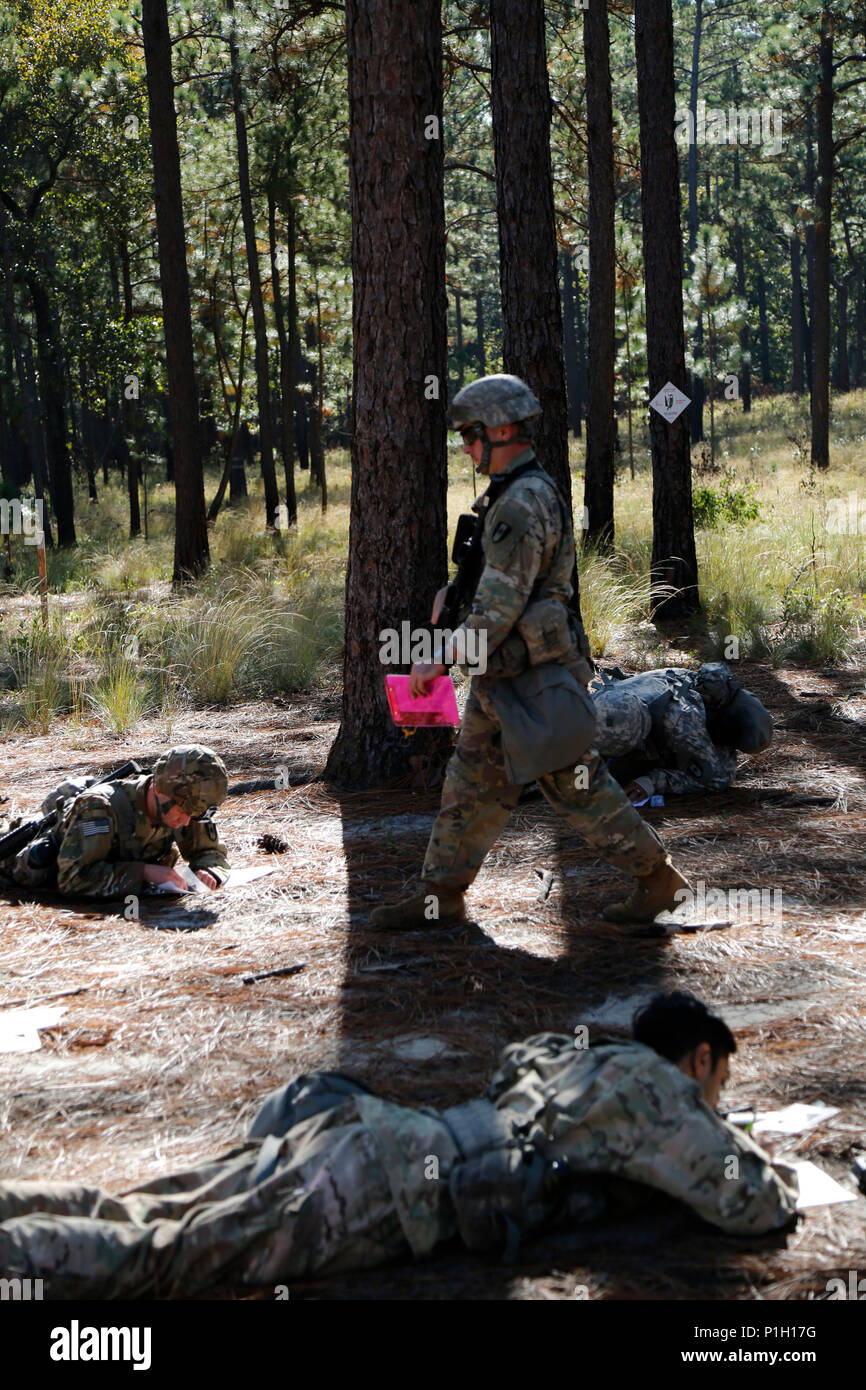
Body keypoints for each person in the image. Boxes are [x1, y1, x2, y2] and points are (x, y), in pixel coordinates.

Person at [0, 991, 798, 1298]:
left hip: (369, 1132)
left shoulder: (578, 1058)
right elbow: (752, 1206)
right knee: (167, 1259)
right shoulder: (663, 1097)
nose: (717, 1097)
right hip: (381, 1190)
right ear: (701, 1060)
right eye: (719, 1080)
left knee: (137, 1207)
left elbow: (522, 1067)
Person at [372, 373, 689, 929]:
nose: (467, 448)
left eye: (471, 436)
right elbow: (501, 587)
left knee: (579, 790)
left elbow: (498, 610)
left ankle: (659, 882)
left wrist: (437, 657)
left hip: (534, 680)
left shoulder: (519, 502)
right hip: (503, 678)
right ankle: (439, 896)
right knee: (469, 786)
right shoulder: (514, 492)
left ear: (499, 431)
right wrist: (456, 595)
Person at [0, 744, 230, 899]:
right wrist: (144, 873)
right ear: (159, 791)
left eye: (195, 814)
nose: (187, 821)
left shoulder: (188, 802)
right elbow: (73, 879)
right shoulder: (100, 808)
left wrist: (208, 872)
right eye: (184, 812)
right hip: (18, 861)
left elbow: (211, 854)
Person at [591, 662, 773, 803]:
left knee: (720, 774)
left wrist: (651, 783)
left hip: (686, 722)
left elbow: (717, 778)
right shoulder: (599, 704)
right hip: (656, 710)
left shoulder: (682, 721)